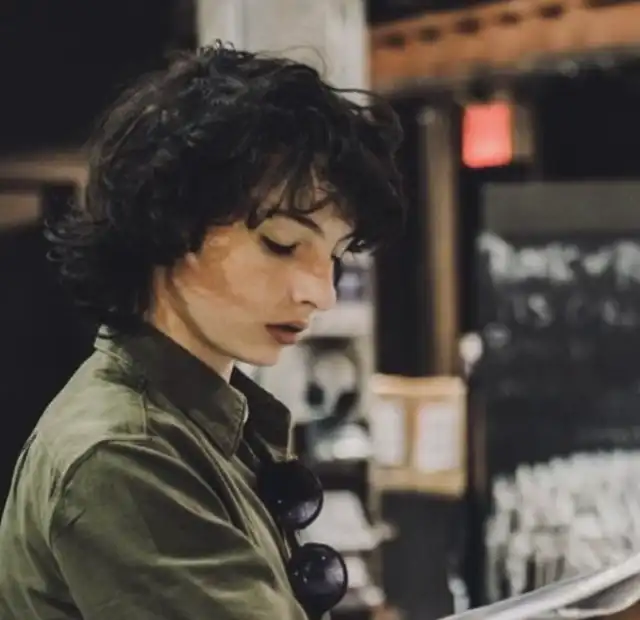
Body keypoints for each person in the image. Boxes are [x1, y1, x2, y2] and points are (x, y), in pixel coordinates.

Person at [0, 42, 404, 620]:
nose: (322, 293)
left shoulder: (200, 423)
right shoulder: (126, 454)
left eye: (334, 257)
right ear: (172, 224)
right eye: (283, 245)